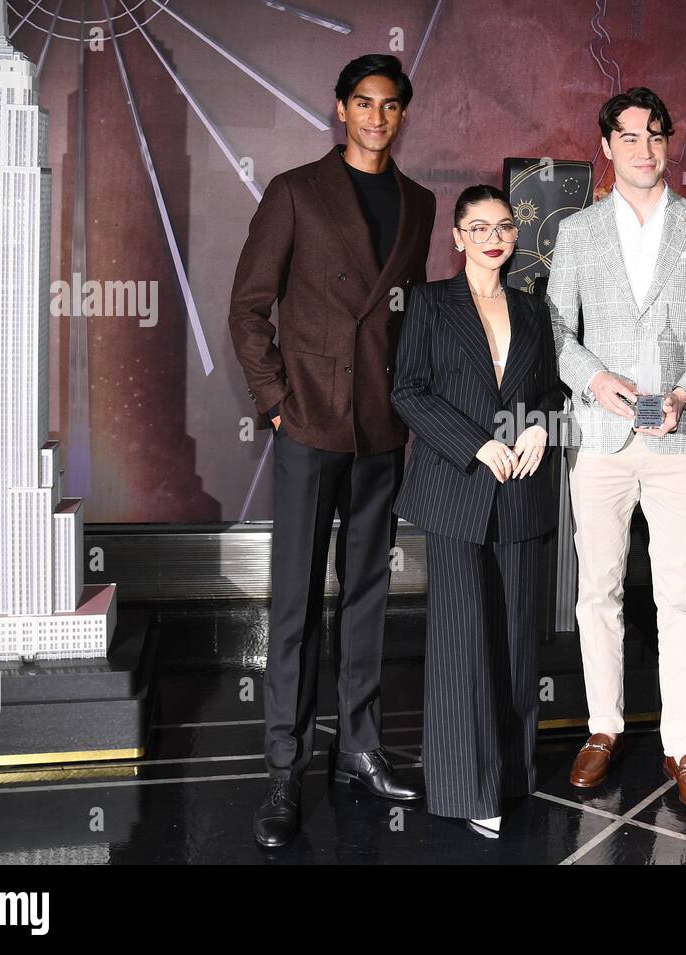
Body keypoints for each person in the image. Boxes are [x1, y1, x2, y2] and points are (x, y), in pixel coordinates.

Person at [228, 54, 436, 849]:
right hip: (309, 425)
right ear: (339, 110)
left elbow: (407, 313)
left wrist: (411, 400)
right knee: (293, 604)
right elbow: (249, 307)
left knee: (368, 599)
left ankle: (358, 748)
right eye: (363, 103)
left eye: (389, 105)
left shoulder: (418, 202)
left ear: (402, 116)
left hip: (382, 429)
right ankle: (285, 764)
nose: (376, 117)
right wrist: (277, 405)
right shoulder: (293, 192)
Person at [547, 87, 686, 812]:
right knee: (596, 591)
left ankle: (681, 741)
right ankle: (602, 729)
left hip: (681, 440)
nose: (642, 147)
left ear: (669, 143)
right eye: (628, 136)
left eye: (654, 134)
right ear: (605, 146)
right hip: (600, 441)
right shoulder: (576, 232)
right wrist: (595, 378)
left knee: (680, 596)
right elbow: (556, 335)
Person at [391, 185, 562, 837]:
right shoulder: (431, 304)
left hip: (519, 489)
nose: (494, 236)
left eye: (505, 225)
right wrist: (478, 442)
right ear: (457, 237)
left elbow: (548, 389)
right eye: (479, 226)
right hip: (456, 489)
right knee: (463, 643)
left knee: (517, 641)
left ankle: (512, 772)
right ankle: (468, 787)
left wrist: (541, 425)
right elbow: (407, 390)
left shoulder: (533, 309)